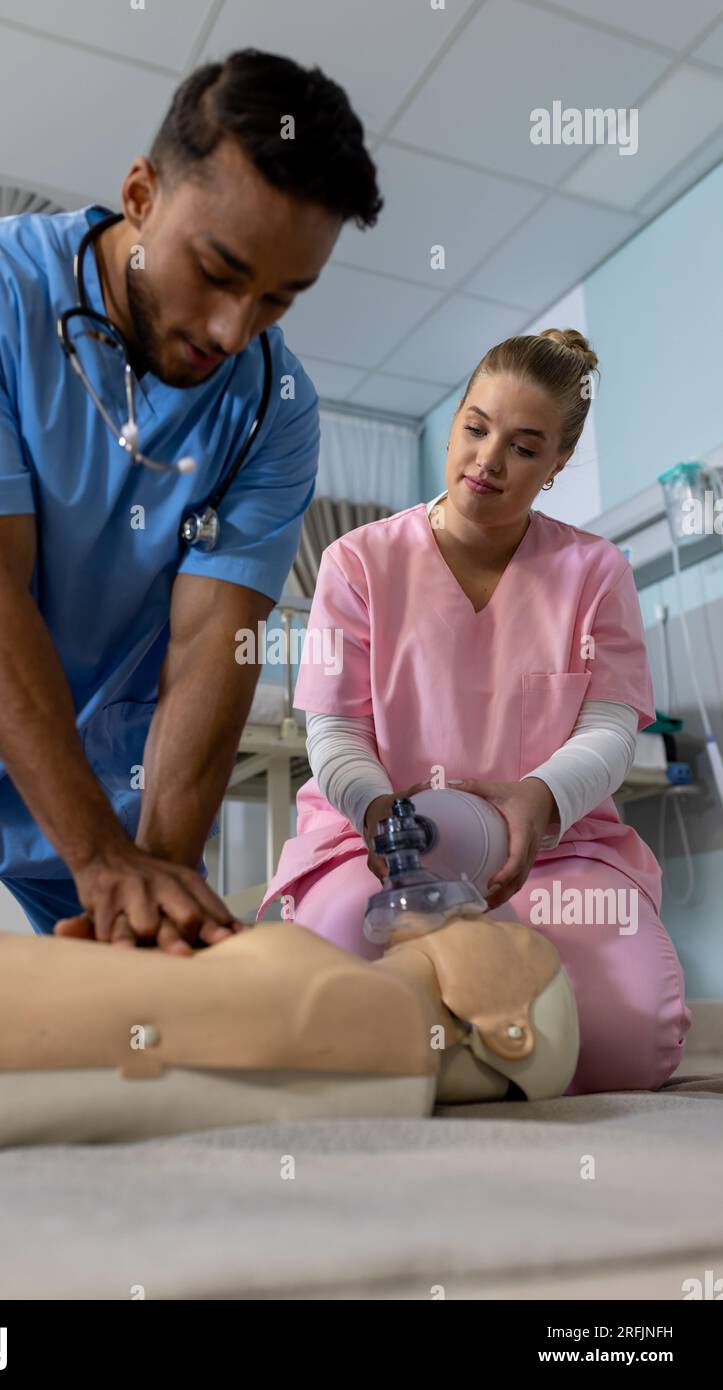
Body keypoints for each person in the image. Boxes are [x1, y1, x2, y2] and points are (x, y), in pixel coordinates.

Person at [0, 49, 384, 1093]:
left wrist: (164, 878)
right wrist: (101, 855)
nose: (235, 330)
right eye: (221, 272)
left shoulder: (274, 410)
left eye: (281, 297)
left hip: (107, 772)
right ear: (141, 194)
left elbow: (213, 648)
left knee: (127, 1072)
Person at [259, 329, 692, 1095]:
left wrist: (540, 797)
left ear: (557, 464)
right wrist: (380, 812)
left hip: (550, 851)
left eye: (524, 448)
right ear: (456, 417)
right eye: (475, 427)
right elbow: (336, 733)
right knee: (329, 1013)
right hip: (378, 845)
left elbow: (608, 727)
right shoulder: (356, 562)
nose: (488, 460)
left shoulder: (594, 572)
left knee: (629, 1040)